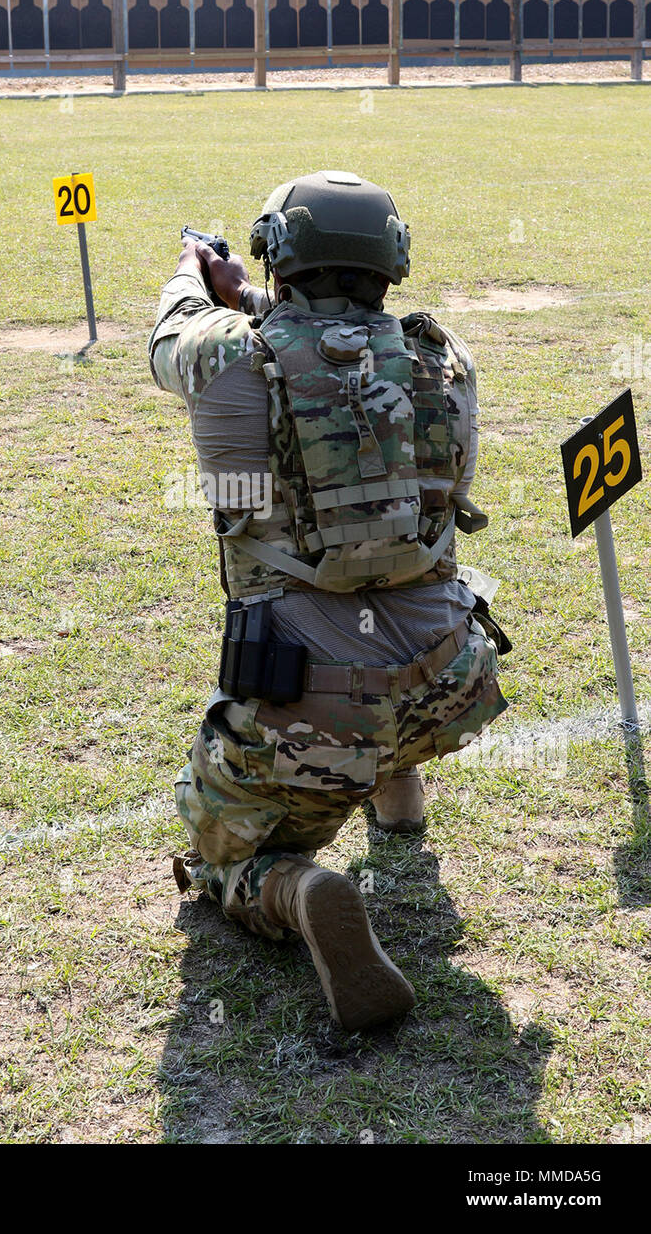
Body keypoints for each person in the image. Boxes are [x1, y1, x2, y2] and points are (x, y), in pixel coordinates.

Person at [149, 171, 509, 1031]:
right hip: (449, 682)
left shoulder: (228, 352)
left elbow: (171, 334)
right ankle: (398, 792)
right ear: (392, 261)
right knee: (388, 577)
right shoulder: (444, 356)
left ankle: (303, 893)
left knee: (217, 855)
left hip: (308, 707)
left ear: (277, 255)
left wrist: (199, 272)